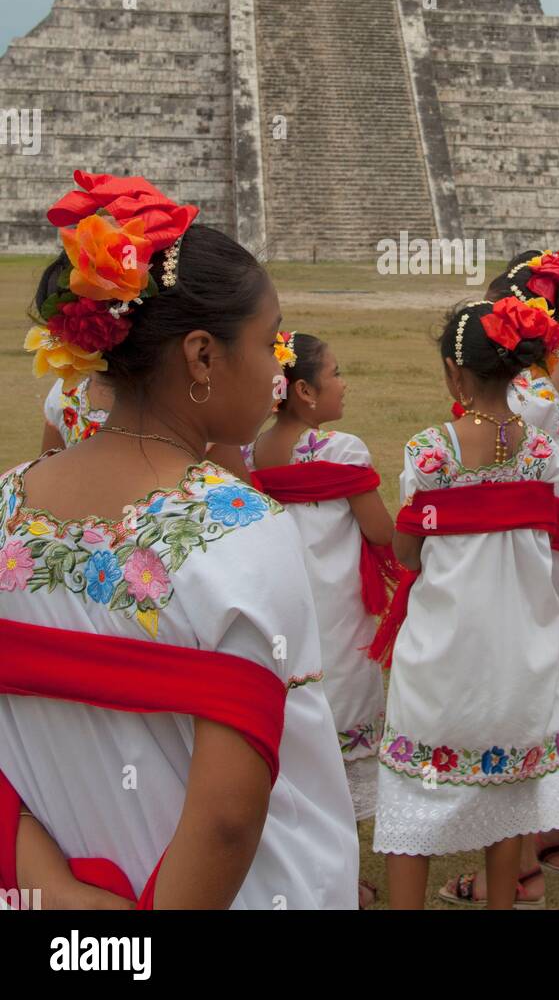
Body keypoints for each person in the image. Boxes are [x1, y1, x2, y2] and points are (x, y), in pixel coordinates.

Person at [1, 170, 357, 909]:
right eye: (268, 343)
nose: (277, 372)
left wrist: (53, 890)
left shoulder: (6, 505)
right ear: (201, 356)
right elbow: (228, 819)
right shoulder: (242, 528)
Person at [372, 296, 559, 910]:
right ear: (517, 369)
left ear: (454, 375)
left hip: (443, 653)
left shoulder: (431, 451)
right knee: (508, 794)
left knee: (414, 797)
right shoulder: (541, 451)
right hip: (519, 652)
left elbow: (408, 551)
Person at [438, 251, 559, 904]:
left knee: (518, 700)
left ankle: (515, 870)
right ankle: (552, 832)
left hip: (528, 545)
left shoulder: (520, 381)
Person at [210, 330, 395, 909]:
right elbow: (381, 532)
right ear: (308, 392)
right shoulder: (340, 451)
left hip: (281, 610)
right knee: (342, 735)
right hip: (338, 618)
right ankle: (346, 879)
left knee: (290, 741)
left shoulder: (248, 453)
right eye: (337, 373)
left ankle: (291, 870)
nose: (345, 383)